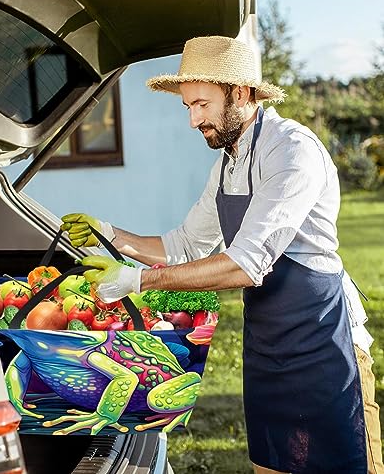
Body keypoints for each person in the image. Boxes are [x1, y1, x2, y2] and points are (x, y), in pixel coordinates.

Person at [60, 36, 383, 474]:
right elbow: (186, 246)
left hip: (323, 341)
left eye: (202, 105)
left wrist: (139, 281)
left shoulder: (292, 152)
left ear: (241, 92)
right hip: (267, 345)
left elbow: (247, 264)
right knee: (272, 465)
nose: (193, 120)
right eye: (188, 107)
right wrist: (112, 234)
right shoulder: (228, 163)